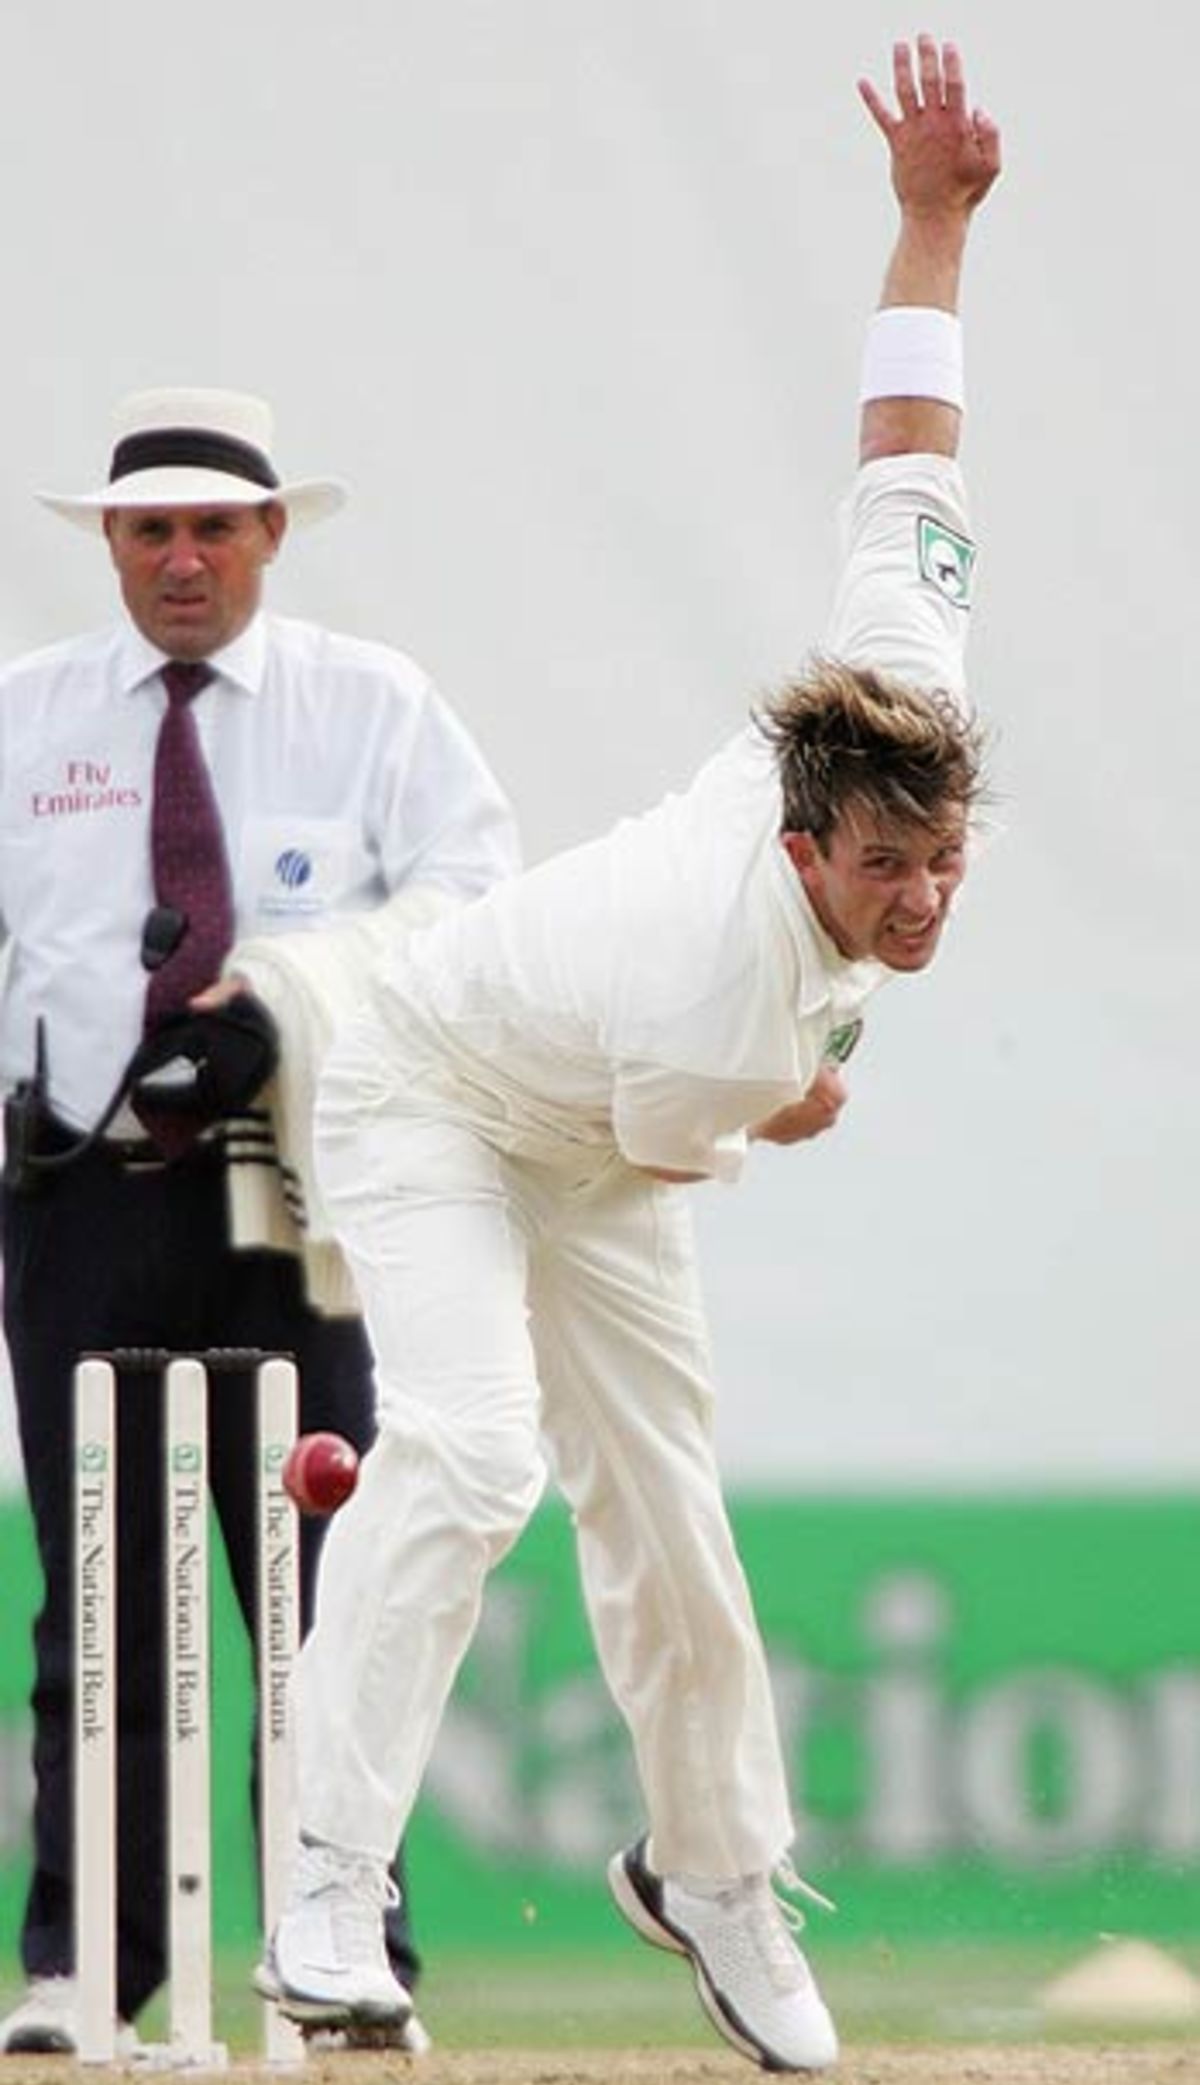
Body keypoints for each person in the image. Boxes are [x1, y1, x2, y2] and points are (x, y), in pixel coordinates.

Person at [258, 35, 1001, 2074]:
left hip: (600, 1117)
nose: (924, 895)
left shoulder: (900, 689)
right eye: (885, 873)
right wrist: (806, 1091)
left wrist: (927, 223)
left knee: (672, 1515)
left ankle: (712, 1871)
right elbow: (691, 1136)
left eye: (944, 859)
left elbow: (909, 454)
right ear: (799, 845)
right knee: (485, 1451)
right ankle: (326, 1881)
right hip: (436, 1091)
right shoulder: (719, 994)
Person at [0, 386, 520, 2055]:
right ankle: (91, 1974)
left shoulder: (370, 708)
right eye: (147, 528)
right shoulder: (28, 718)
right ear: (108, 540)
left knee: (326, 1579)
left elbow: (471, 900)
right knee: (99, 1599)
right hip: (83, 1186)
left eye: (213, 526)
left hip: (305, 1191)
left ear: (273, 533)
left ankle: (345, 1958)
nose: (180, 559)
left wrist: (294, 999)